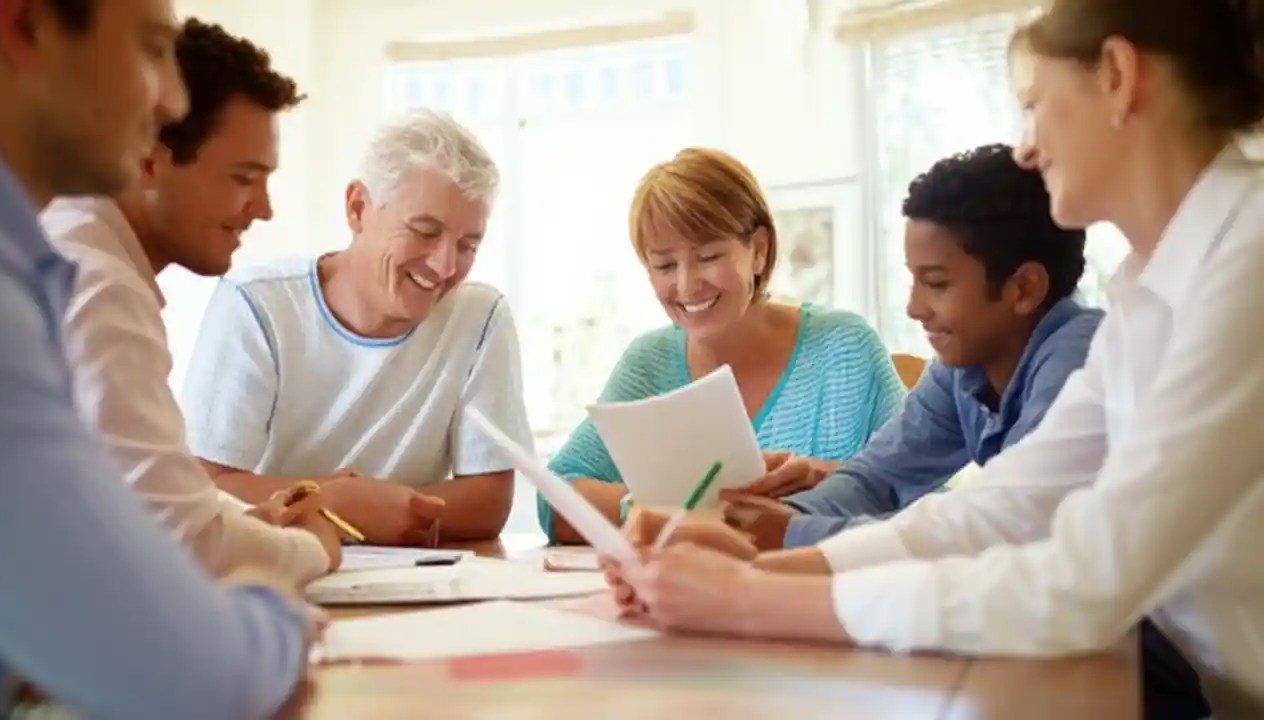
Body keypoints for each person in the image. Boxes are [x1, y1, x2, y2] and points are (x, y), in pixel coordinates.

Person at [610, 1, 1264, 717]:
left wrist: (750, 599)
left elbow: (1084, 580)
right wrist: (767, 565)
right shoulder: (1150, 286)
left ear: (1116, 76)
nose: (1027, 148)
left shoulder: (1248, 263)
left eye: (1034, 104)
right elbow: (1000, 507)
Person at [0, 0, 317, 717]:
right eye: (150, 48)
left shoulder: (32, 266)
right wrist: (282, 596)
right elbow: (199, 677)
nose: (169, 98)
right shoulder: (28, 290)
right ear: (26, 24)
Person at [41, 18, 342, 583]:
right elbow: (183, 543)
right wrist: (315, 547)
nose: (264, 209)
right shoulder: (98, 285)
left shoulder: (79, 252)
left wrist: (241, 519)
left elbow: (140, 500)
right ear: (150, 159)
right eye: (243, 178)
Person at [181, 108, 530, 546]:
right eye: (424, 231)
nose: (444, 266)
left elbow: (488, 501)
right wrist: (334, 502)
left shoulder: (480, 316)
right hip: (279, 568)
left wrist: (366, 507)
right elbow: (202, 486)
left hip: (417, 582)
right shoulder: (256, 304)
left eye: (467, 245)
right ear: (358, 208)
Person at [726, 143, 1102, 550]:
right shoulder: (962, 369)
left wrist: (789, 533)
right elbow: (876, 479)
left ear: (1024, 288)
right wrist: (775, 520)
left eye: (937, 284)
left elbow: (999, 526)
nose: (914, 308)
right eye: (914, 281)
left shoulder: (1081, 364)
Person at [540, 147, 906, 544]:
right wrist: (662, 511)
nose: (686, 285)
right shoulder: (649, 362)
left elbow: (928, 501)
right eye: (664, 266)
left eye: (709, 257)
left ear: (759, 251)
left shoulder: (845, 349)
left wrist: (831, 482)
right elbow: (555, 499)